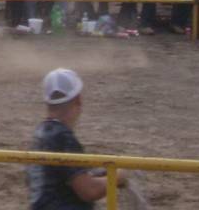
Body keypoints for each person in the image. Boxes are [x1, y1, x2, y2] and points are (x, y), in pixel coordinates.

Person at [28, 68, 128, 209]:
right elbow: (89, 191)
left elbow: (59, 179)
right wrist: (117, 176)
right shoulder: (63, 137)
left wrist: (97, 174)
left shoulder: (41, 133)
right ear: (78, 99)